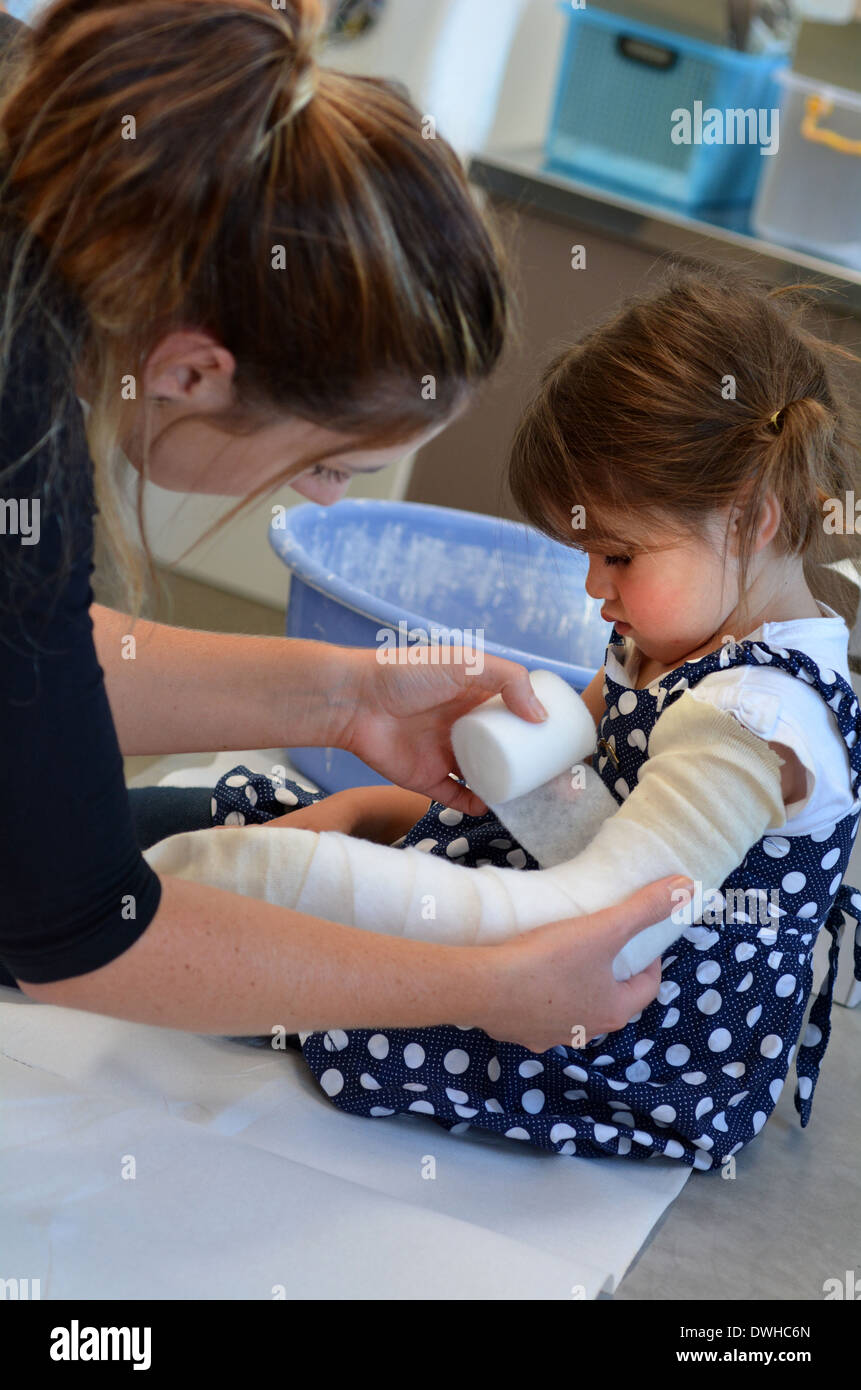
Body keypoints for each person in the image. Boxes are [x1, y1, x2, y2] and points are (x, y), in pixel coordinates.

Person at [0, 0, 671, 1054]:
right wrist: (487, 985)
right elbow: (82, 932)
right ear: (190, 371)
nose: (323, 498)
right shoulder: (17, 418)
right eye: (326, 464)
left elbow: (29, 673)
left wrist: (346, 694)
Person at [157, 266, 861, 1167]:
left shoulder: (757, 720)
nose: (591, 587)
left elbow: (611, 917)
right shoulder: (677, 631)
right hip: (551, 914)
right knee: (236, 817)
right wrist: (368, 814)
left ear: (751, 519)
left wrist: (322, 875)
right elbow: (561, 802)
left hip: (621, 1020)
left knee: (298, 965)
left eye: (616, 554)